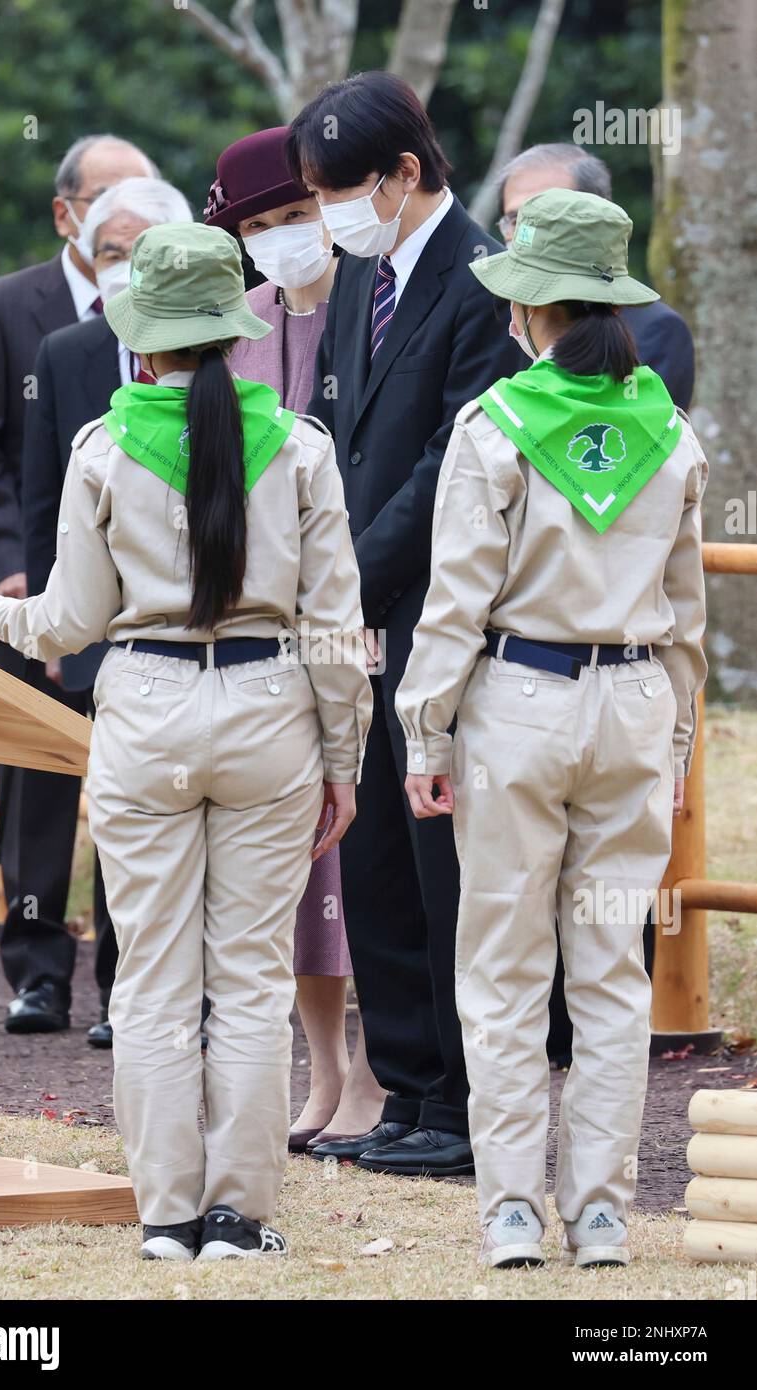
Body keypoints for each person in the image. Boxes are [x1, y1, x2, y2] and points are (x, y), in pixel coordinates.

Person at [0, 222, 372, 1263]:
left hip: (146, 707)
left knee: (154, 981)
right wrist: (344, 758)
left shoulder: (100, 446)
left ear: (143, 337)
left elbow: (70, 621)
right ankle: (241, 1214)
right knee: (254, 975)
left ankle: (167, 1214)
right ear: (231, 331)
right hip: (272, 709)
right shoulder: (303, 446)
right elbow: (334, 624)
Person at [396, 188, 707, 1268]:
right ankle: (608, 1212)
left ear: (531, 309)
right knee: (612, 970)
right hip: (631, 706)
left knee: (503, 969)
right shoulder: (670, 429)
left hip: (518, 708)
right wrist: (674, 749)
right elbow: (688, 618)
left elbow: (455, 604)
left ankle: (515, 1208)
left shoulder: (494, 428)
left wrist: (423, 734)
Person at [288, 71, 522, 1176]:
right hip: (355, 616)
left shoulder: (485, 283)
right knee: (371, 855)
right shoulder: (355, 275)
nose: (329, 209)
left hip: (438, 622)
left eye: (341, 188)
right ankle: (409, 1089)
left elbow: (446, 469)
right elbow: (336, 435)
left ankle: (467, 1106)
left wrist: (350, 573)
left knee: (444, 871)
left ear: (407, 174)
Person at [203, 126, 385, 1151]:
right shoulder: (243, 327)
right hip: (273, 625)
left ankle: (377, 1076)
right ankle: (325, 1075)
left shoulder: (372, 308)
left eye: (295, 215)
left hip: (369, 613)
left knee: (370, 867)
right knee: (299, 870)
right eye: (260, 227)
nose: (281, 239)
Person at [495, 141, 697, 1066]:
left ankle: (541, 1192)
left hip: (597, 655)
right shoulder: (507, 358)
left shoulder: (651, 344)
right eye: (512, 221)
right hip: (566, 676)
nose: (521, 239)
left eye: (538, 220)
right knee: (524, 923)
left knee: (602, 932)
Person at [0, 133, 157, 1037]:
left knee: (133, 779)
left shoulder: (178, 312)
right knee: (38, 778)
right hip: (36, 581)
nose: (120, 216)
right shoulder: (2, 307)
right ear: (64, 210)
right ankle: (37, 972)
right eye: (104, 198)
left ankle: (125, 978)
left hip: (146, 600)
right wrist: (15, 580)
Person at [20, 176, 193, 1047]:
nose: (124, 267)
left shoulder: (230, 366)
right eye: (112, 251)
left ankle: (133, 991)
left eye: (142, 251)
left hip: (192, 636)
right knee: (109, 812)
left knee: (159, 819)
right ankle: (72, 984)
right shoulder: (67, 352)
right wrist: (54, 621)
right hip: (89, 622)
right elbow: (39, 495)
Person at [497, 143, 695, 409]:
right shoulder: (493, 317)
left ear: (598, 215)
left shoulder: (654, 331)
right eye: (516, 219)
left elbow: (638, 438)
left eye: (552, 216)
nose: (530, 231)